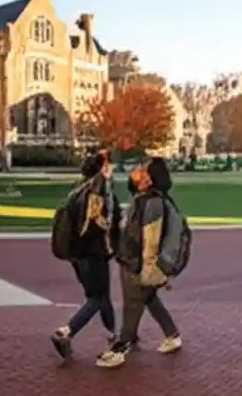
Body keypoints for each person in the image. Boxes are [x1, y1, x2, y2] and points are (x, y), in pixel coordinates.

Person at [97, 158, 182, 369]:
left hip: (139, 264)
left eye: (144, 171)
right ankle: (171, 334)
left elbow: (150, 241)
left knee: (133, 305)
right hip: (132, 261)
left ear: (152, 179)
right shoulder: (141, 199)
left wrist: (149, 269)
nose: (139, 173)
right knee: (149, 299)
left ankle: (121, 347)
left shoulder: (152, 203)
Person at [51, 151, 121, 361]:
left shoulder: (76, 191)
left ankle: (114, 336)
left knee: (103, 295)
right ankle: (66, 331)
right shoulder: (96, 193)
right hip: (92, 253)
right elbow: (95, 224)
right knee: (96, 298)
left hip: (78, 254)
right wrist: (111, 226)